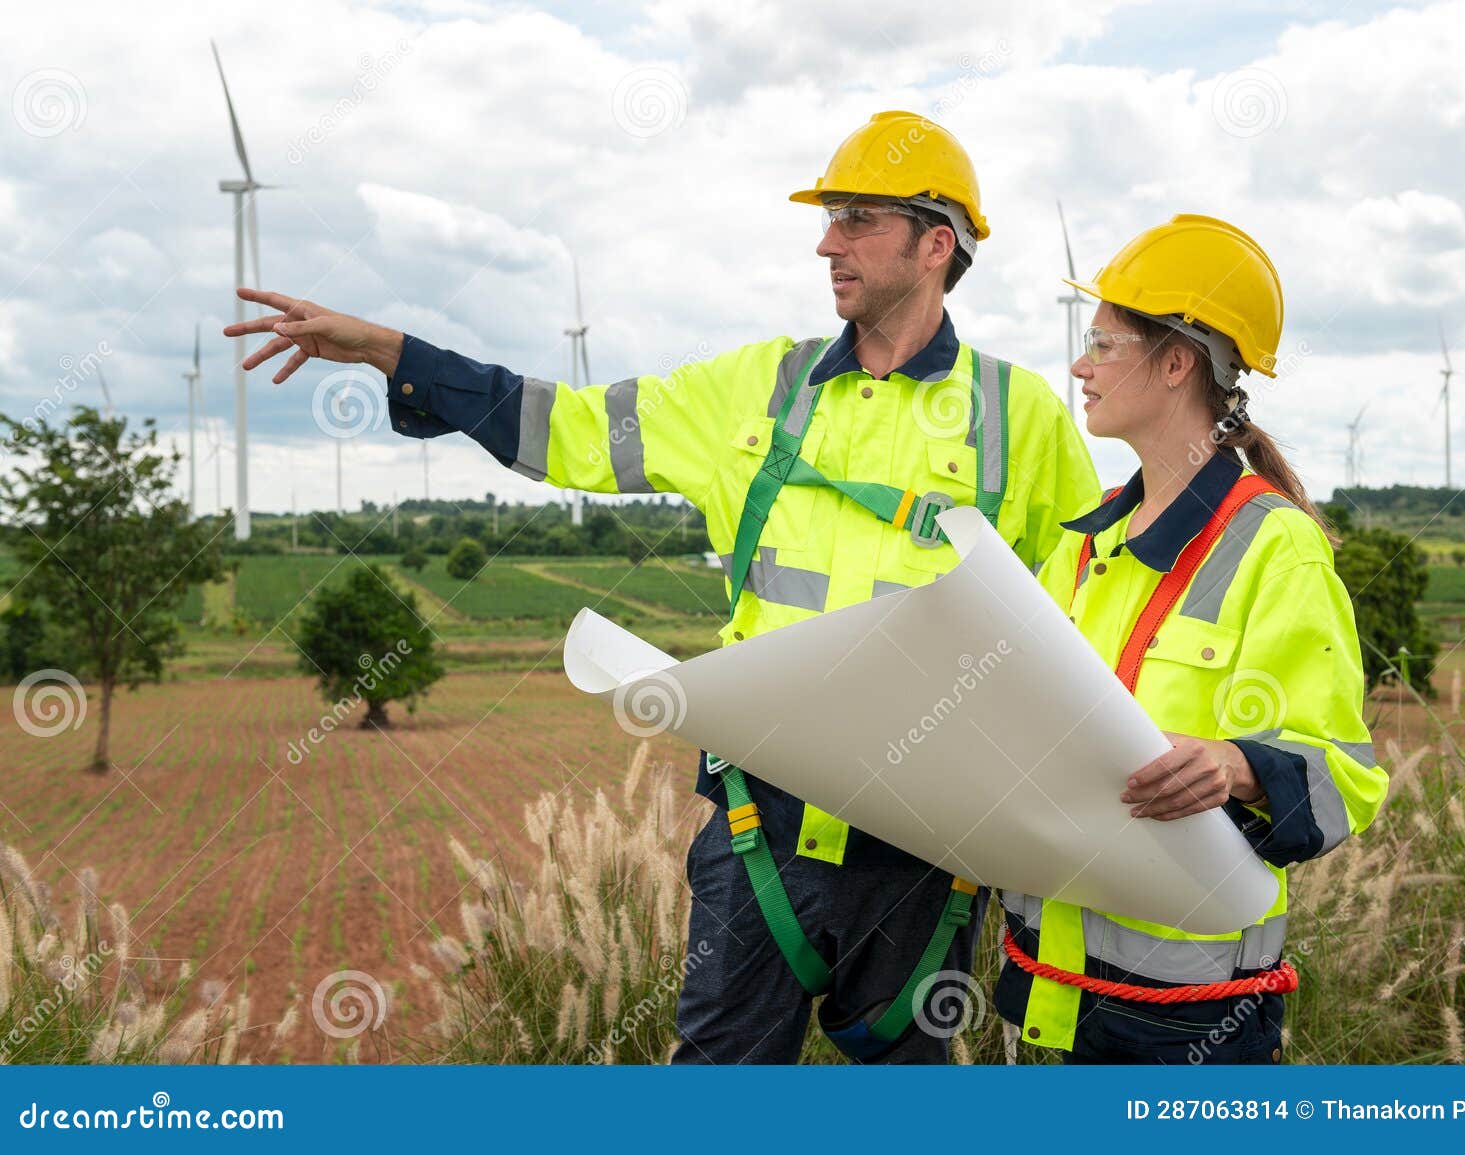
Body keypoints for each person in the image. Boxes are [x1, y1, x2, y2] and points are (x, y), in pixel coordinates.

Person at [224, 111, 1100, 1064]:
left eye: (856, 219)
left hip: (928, 856)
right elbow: (570, 427)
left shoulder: (1022, 419)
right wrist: (399, 353)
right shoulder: (758, 388)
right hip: (761, 831)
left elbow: (1082, 629)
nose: (827, 243)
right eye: (829, 218)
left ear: (936, 245)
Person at [994, 214, 1388, 1064]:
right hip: (1047, 990)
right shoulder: (1084, 542)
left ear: (1176, 363)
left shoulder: (1276, 547)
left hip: (1187, 1021)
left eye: (1102, 343)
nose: (1080, 366)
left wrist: (1236, 764)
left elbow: (1345, 776)